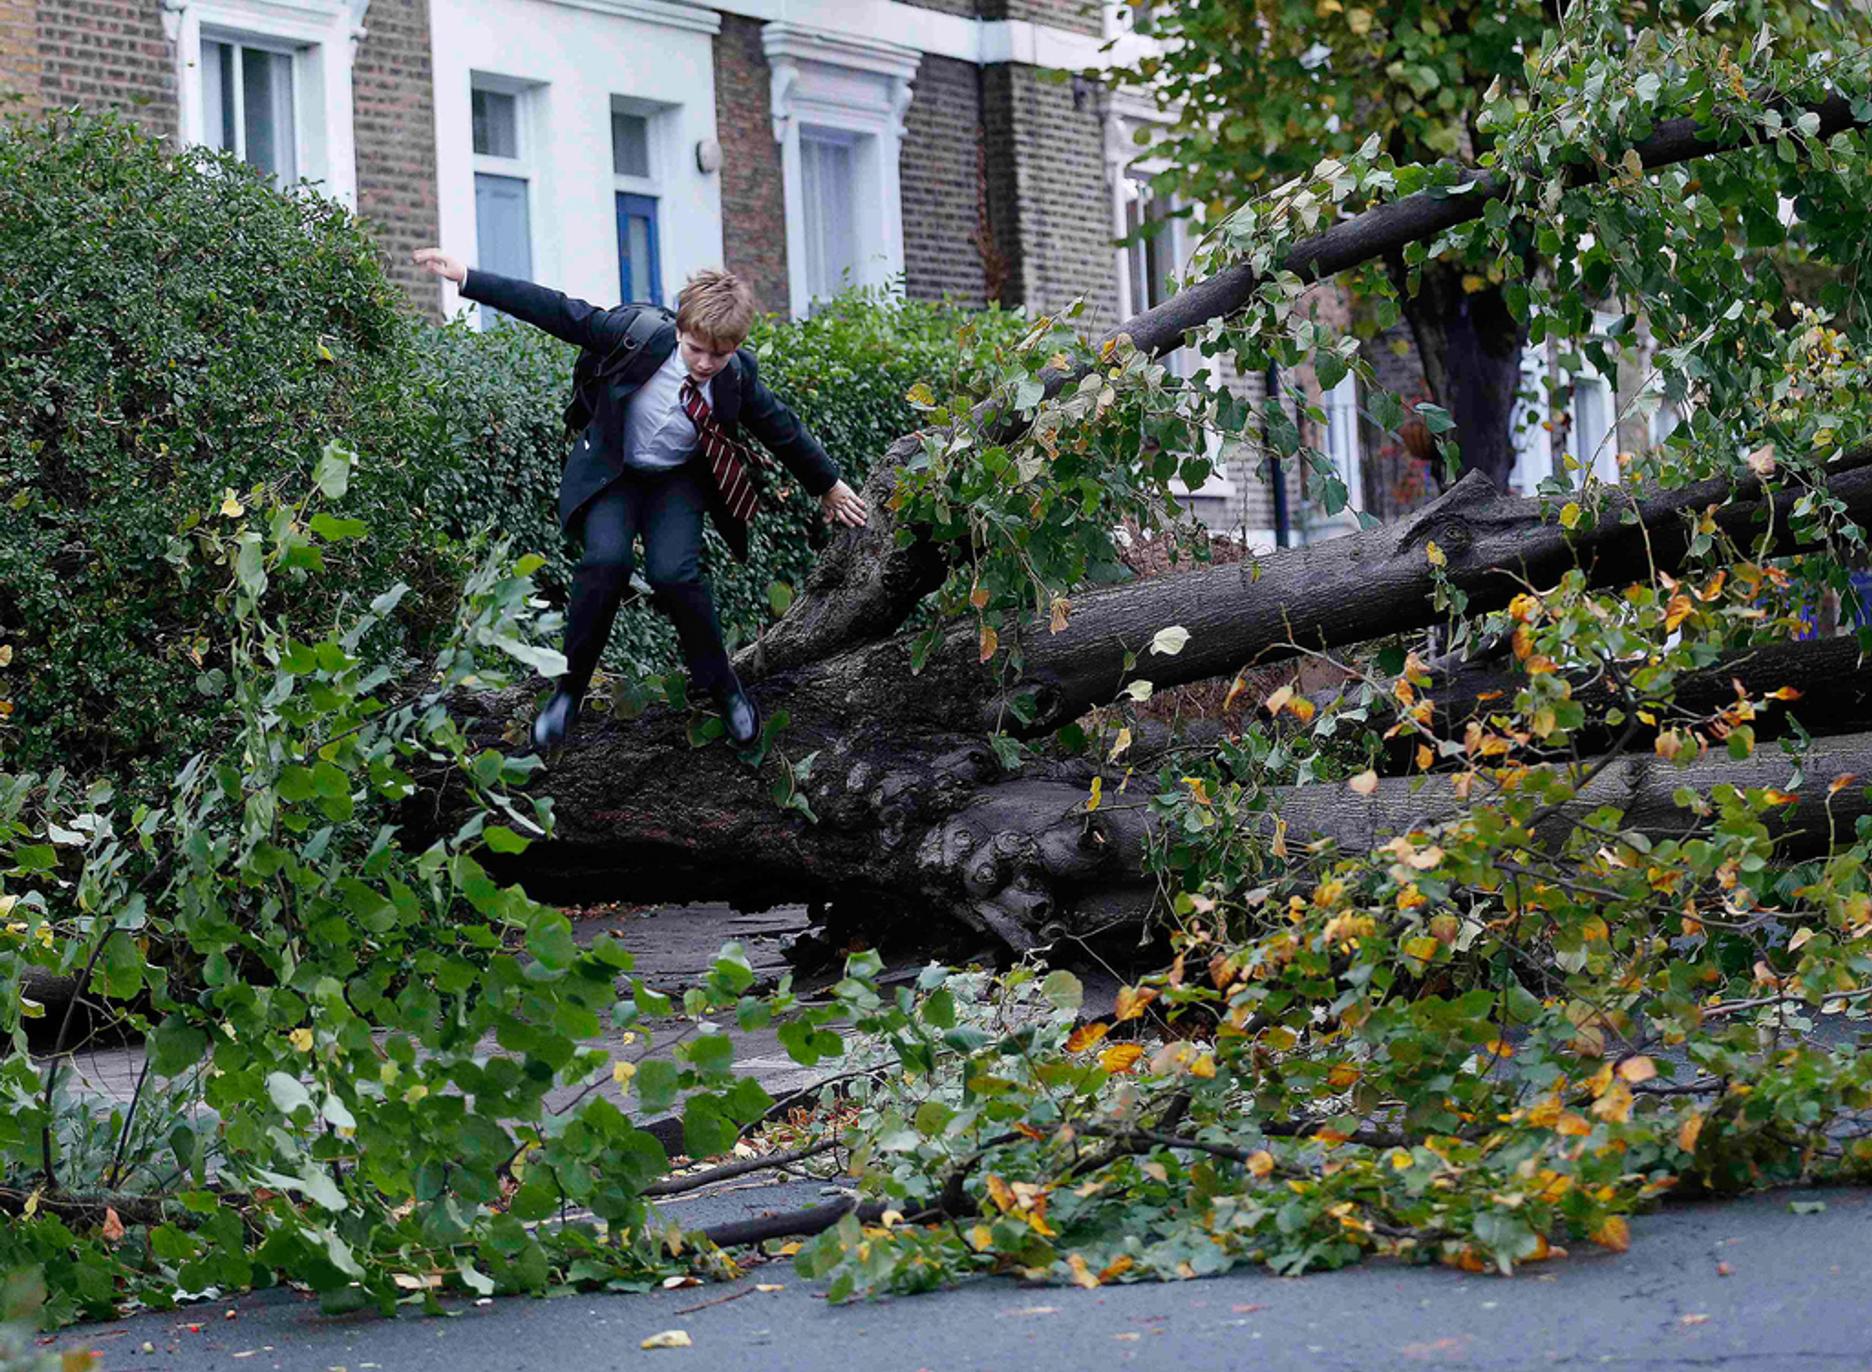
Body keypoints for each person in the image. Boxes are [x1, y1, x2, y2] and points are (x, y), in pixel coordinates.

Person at [412, 249, 867, 751]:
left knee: (675, 576)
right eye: (696, 350)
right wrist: (471, 278)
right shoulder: (634, 334)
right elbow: (557, 310)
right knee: (604, 562)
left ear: (736, 347)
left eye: (719, 355)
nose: (704, 363)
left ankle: (725, 688)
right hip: (618, 473)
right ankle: (568, 692)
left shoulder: (736, 376)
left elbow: (782, 429)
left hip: (677, 481)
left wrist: (829, 483)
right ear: (680, 329)